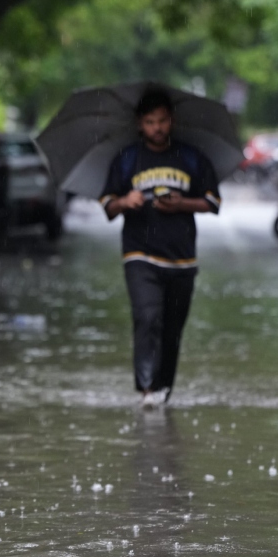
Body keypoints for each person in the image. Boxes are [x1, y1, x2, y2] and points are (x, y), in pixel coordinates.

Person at [99, 88, 221, 409]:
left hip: (182, 259)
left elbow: (213, 202)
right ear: (140, 124)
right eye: (150, 122)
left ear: (172, 121)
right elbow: (108, 207)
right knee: (147, 317)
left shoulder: (192, 157)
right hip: (139, 254)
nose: (157, 128)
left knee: (172, 330)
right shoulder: (127, 159)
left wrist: (182, 204)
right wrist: (125, 201)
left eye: (162, 121)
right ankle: (146, 389)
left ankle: (163, 389)